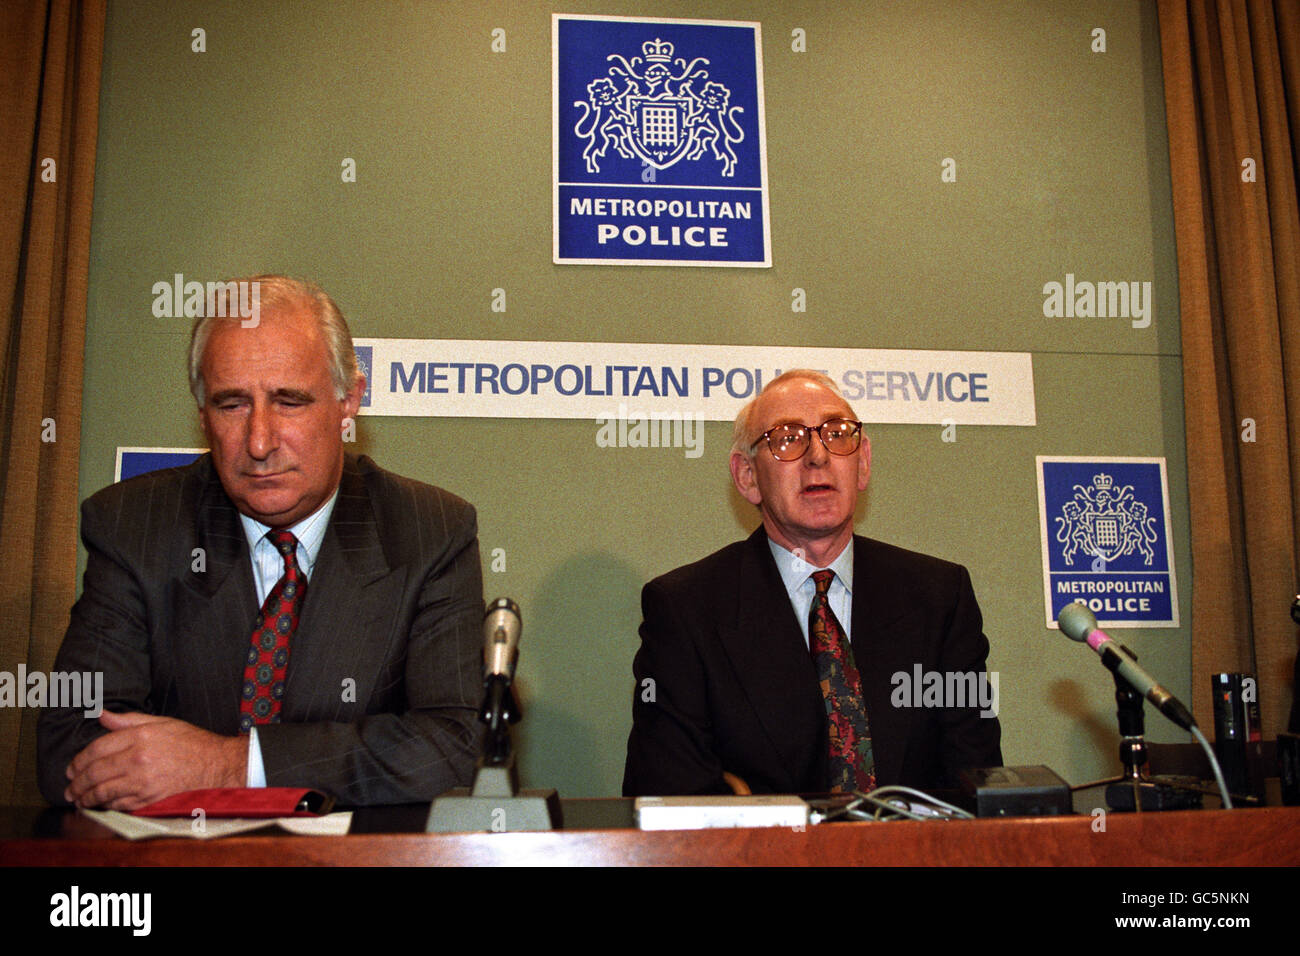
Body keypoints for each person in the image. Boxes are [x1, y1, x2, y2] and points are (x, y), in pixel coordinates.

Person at [37, 275, 483, 809]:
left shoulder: (428, 532)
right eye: (232, 405)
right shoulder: (135, 526)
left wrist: (229, 765)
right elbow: (71, 741)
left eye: (289, 402)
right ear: (201, 414)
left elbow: (457, 747)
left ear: (350, 401)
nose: (260, 441)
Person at [623, 369, 1001, 796]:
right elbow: (666, 798)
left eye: (838, 434)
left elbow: (978, 785)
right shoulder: (686, 610)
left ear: (863, 464)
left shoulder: (939, 599)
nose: (818, 455)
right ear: (747, 476)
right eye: (788, 438)